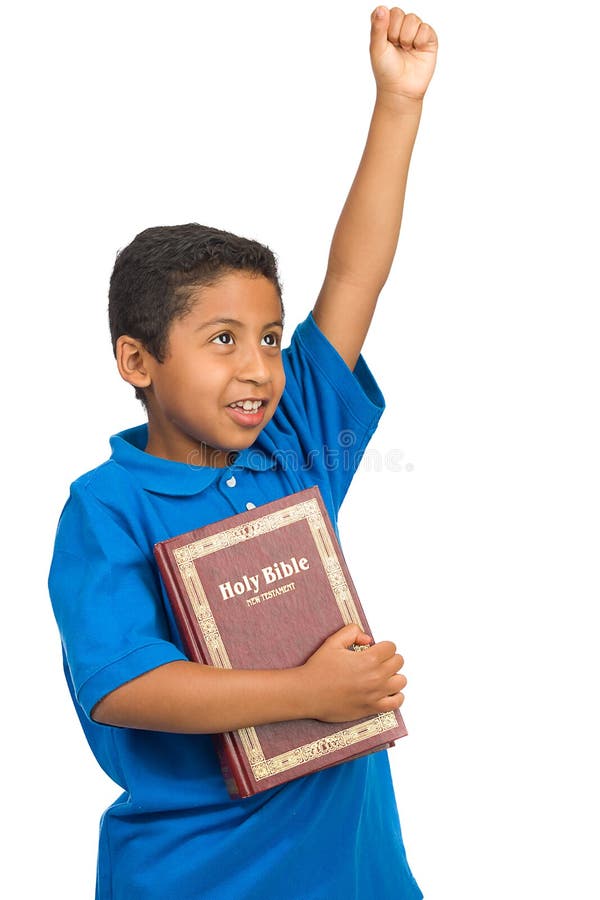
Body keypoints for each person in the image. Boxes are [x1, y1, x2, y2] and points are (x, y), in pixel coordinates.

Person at [49, 7, 437, 899]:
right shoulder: (105, 505)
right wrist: (311, 692)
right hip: (200, 877)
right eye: (222, 339)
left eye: (269, 336)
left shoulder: (292, 450)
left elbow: (352, 280)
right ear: (137, 361)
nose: (260, 365)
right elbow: (124, 686)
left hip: (356, 873)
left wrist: (398, 105)